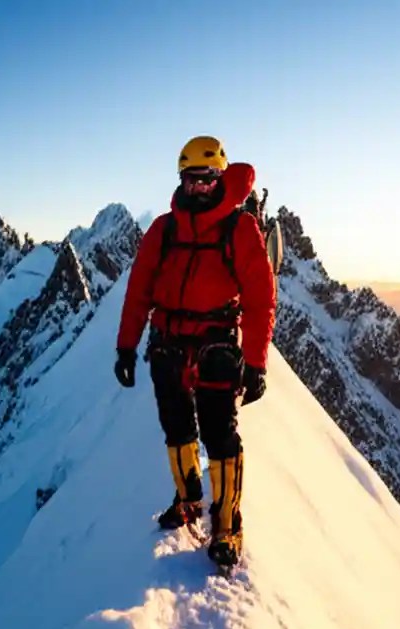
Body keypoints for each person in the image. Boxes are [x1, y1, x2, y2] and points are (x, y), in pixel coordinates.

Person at [113, 136, 277, 567]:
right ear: (182, 179)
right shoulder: (164, 230)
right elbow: (138, 292)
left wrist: (257, 363)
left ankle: (226, 523)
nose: (198, 187)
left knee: (220, 432)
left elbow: (261, 299)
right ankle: (188, 498)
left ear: (220, 178)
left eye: (207, 178)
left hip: (216, 343)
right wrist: (126, 348)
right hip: (167, 340)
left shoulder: (240, 229)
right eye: (191, 178)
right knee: (176, 424)